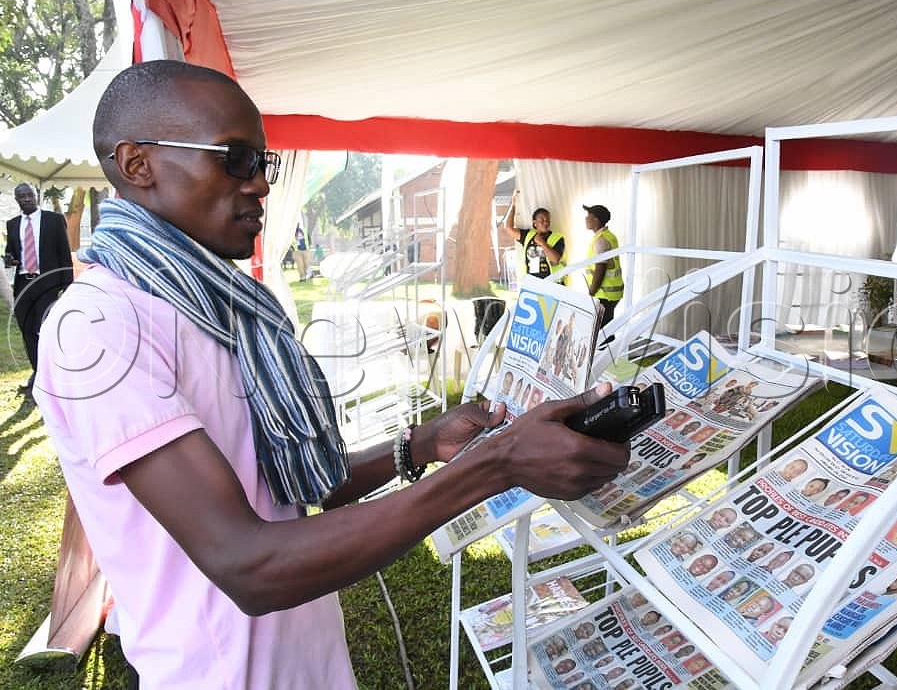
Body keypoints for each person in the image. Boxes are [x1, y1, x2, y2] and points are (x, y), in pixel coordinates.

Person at [32, 60, 630, 690]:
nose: (260, 184)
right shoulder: (100, 325)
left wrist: (422, 444)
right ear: (137, 164)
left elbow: (290, 485)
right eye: (235, 158)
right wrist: (496, 465)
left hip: (308, 660)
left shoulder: (221, 303)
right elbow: (249, 563)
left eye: (267, 163)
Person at [4, 182, 73, 395]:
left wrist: (67, 287)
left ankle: (55, 377)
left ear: (36, 196)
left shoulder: (53, 220)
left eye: (29, 195)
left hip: (47, 283)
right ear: (16, 200)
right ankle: (38, 374)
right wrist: (9, 260)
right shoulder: (12, 224)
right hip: (24, 283)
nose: (26, 199)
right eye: (21, 196)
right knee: (27, 330)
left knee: (47, 330)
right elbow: (11, 253)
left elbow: (64, 253)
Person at [502, 192, 566, 283]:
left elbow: (555, 260)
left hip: (553, 285)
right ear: (534, 222)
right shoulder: (528, 235)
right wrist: (513, 206)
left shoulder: (557, 238)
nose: (546, 223)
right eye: (542, 220)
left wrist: (542, 243)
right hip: (533, 284)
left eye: (548, 220)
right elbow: (508, 228)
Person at [583, 204, 623, 327]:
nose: (586, 219)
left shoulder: (601, 240)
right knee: (606, 327)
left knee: (602, 331)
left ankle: (607, 347)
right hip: (611, 292)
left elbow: (600, 268)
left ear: (596, 220)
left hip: (604, 294)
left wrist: (590, 293)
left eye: (588, 216)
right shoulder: (609, 235)